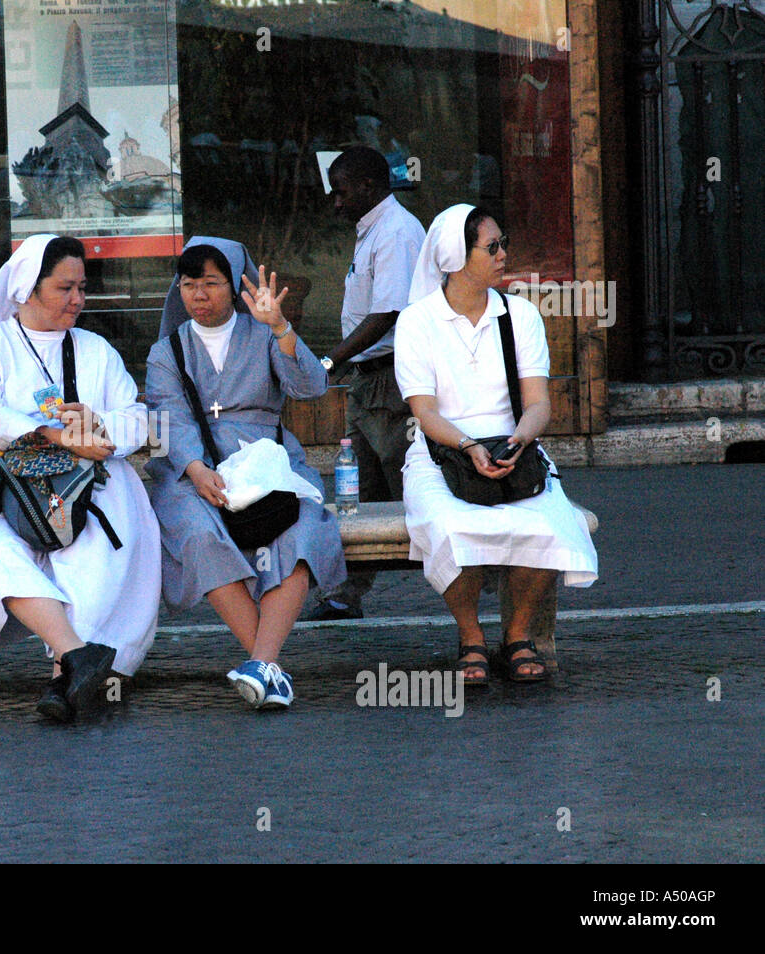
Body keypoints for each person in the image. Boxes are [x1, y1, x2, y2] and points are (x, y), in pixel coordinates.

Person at [0, 234, 161, 722]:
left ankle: (64, 676)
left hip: (91, 482)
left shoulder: (95, 349)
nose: (78, 300)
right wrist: (53, 435)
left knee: (93, 557)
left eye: (82, 288)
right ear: (27, 288)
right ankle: (76, 658)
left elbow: (135, 419)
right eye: (65, 288)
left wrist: (97, 426)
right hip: (2, 479)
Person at [393, 205, 598, 685]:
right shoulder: (417, 322)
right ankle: (470, 637)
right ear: (455, 257)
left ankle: (518, 634)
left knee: (549, 523)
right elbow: (423, 413)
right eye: (493, 247)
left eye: (503, 243)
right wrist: (468, 445)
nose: (504, 254)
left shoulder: (520, 315)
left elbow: (538, 403)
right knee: (449, 526)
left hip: (512, 447)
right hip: (440, 450)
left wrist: (521, 439)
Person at [144, 237, 346, 710]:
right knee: (195, 535)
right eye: (189, 284)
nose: (198, 295)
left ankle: (262, 664)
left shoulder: (262, 333)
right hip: (192, 469)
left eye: (211, 283)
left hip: (266, 461)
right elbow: (164, 421)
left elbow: (310, 388)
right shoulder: (165, 352)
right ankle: (267, 665)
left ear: (233, 285)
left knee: (299, 531)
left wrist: (280, 327)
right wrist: (195, 468)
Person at [307, 145, 425, 622]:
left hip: (392, 382)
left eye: (341, 191)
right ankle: (344, 593)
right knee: (357, 492)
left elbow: (387, 314)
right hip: (369, 380)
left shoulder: (395, 233)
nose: (335, 202)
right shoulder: (373, 231)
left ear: (369, 188)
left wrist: (331, 360)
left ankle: (480, 579)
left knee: (413, 489)